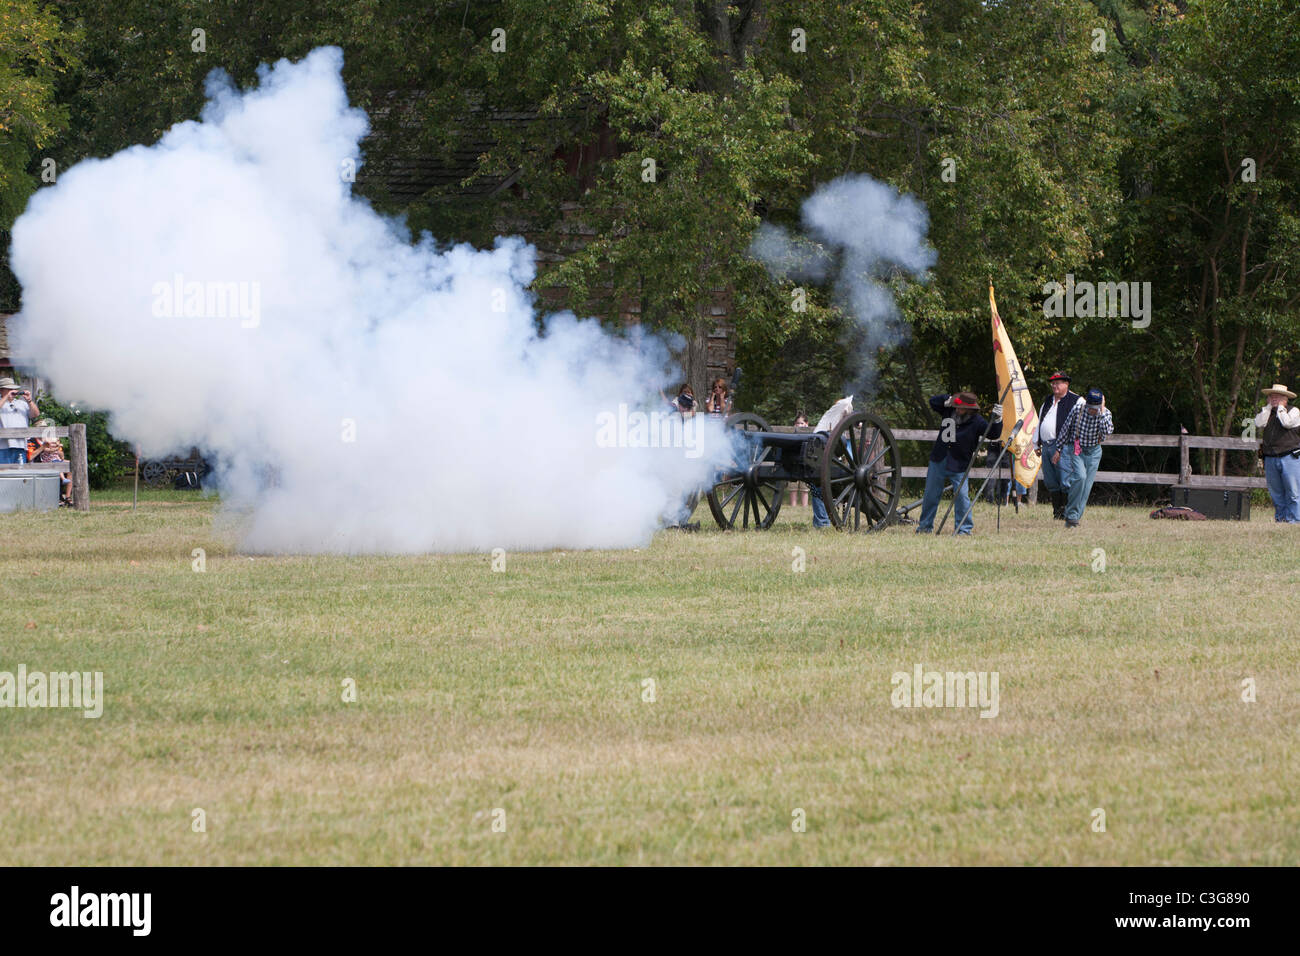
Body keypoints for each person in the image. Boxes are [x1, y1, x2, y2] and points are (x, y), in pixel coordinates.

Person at [915, 392, 989, 536]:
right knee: (930, 495)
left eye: (960, 407)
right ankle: (924, 527)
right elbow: (932, 401)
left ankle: (964, 529)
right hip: (939, 458)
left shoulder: (977, 421)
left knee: (962, 496)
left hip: (960, 462)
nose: (956, 409)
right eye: (955, 406)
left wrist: (997, 420)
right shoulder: (948, 410)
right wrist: (945, 399)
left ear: (969, 409)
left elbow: (993, 432)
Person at [1047, 387, 1113, 529]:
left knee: (1086, 486)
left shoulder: (1105, 414)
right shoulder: (1078, 409)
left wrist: (1101, 411)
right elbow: (1065, 429)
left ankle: (1074, 518)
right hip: (1077, 449)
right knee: (1080, 478)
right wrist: (1058, 449)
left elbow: (1107, 432)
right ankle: (1070, 514)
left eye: (1095, 408)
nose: (1092, 410)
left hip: (1094, 452)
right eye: (1090, 407)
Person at [1034, 372, 1081, 520]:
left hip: (1064, 446)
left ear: (1067, 384)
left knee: (1065, 479)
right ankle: (1057, 512)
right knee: (1050, 480)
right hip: (1047, 445)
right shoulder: (1048, 401)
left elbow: (1084, 422)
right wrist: (1036, 443)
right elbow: (1039, 421)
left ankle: (1067, 512)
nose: (1055, 385)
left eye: (1058, 383)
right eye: (1053, 383)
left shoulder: (1076, 401)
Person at [1254, 383, 1300, 523]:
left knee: (1293, 492)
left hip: (1290, 456)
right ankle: (1280, 519)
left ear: (1285, 399)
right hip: (1271, 458)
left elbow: (1287, 423)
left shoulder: (1294, 411)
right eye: (1271, 396)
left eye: (1277, 397)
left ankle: (1294, 520)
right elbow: (1258, 423)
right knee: (1276, 493)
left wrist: (1280, 408)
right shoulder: (1267, 413)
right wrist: (1268, 408)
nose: (1274, 399)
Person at [28, 417, 72, 505]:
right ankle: (57, 498)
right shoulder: (31, 440)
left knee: (71, 466)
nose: (43, 430)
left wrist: (57, 448)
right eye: (40, 428)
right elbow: (30, 457)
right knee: (55, 466)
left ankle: (67, 497)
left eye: (44, 428)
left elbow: (61, 456)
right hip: (38, 464)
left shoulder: (51, 438)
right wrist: (43, 447)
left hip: (54, 461)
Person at [0, 378, 39, 465]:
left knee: (19, 475)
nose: (12, 391)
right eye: (9, 389)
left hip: (21, 445)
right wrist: (6, 397)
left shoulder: (22, 404)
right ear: (1, 390)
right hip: (2, 446)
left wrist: (29, 400)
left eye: (13, 389)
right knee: (3, 475)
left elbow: (35, 414)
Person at [789, 413, 810, 508]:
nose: (799, 425)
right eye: (797, 423)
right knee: (793, 486)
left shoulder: (810, 433)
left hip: (805, 462)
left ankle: (804, 506)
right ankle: (793, 505)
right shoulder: (792, 433)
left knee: (805, 488)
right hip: (794, 461)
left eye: (801, 423)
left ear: (806, 424)